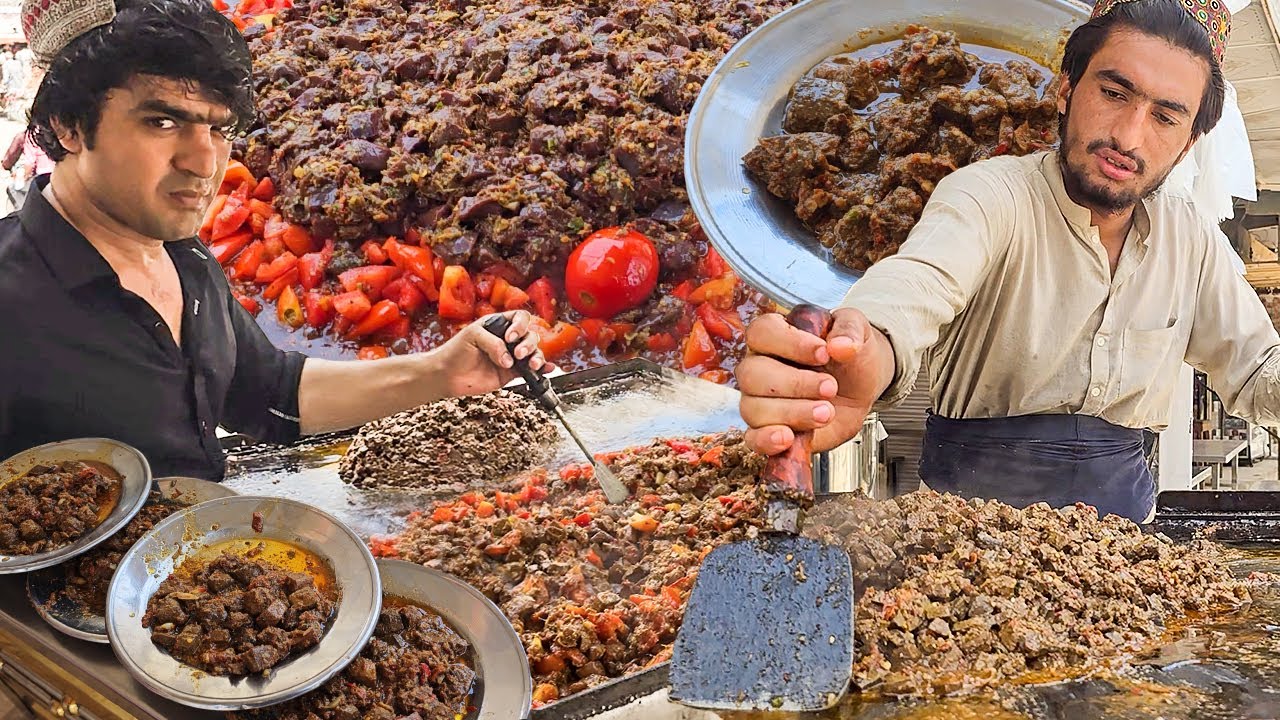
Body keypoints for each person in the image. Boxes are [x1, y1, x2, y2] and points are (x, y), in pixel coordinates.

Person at [735, 0, 1268, 523]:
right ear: (1066, 89)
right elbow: (914, 287)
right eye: (1112, 92)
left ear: (1189, 142)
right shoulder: (991, 196)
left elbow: (1258, 369)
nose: (1128, 136)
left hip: (1123, 557)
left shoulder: (1189, 238)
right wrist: (865, 354)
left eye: (1165, 118)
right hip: (964, 555)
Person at [0, 0, 549, 480]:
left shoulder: (183, 257)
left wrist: (440, 372)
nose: (205, 161)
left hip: (199, 574)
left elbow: (270, 394)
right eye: (163, 123)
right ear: (68, 125)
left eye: (218, 129)